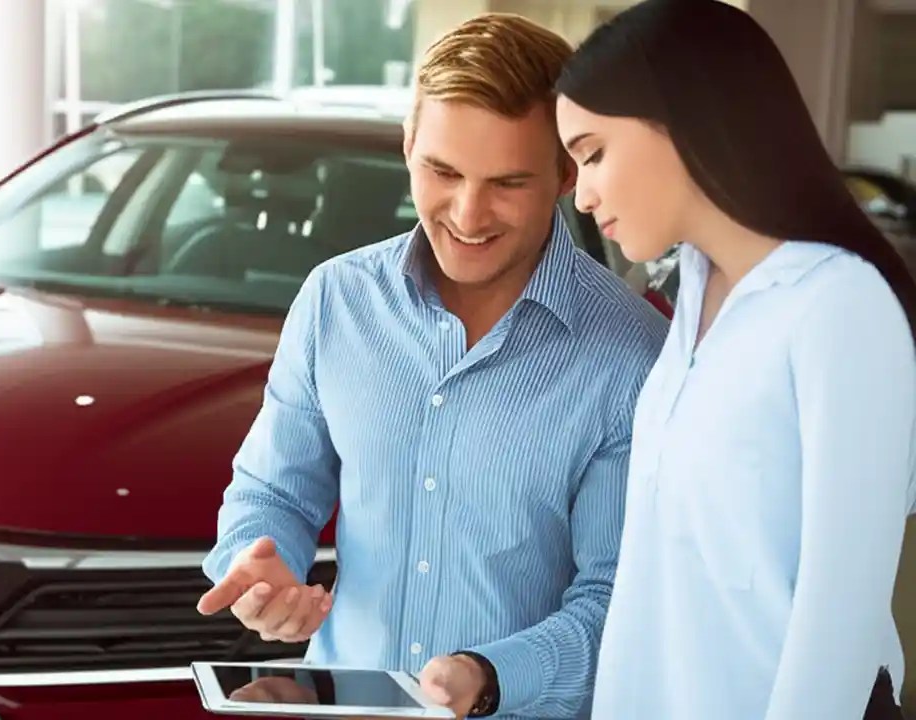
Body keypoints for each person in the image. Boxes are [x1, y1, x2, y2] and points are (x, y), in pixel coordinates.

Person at [196, 13, 669, 719]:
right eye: (443, 171)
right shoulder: (336, 300)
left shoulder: (631, 355)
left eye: (508, 182)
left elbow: (617, 601)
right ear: (409, 143)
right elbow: (274, 492)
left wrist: (488, 675)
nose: (469, 213)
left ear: (566, 173)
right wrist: (260, 567)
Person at [552, 1, 916, 718]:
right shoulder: (690, 293)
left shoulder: (838, 304)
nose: (585, 194)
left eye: (593, 153)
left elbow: (838, 613)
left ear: (682, 117)